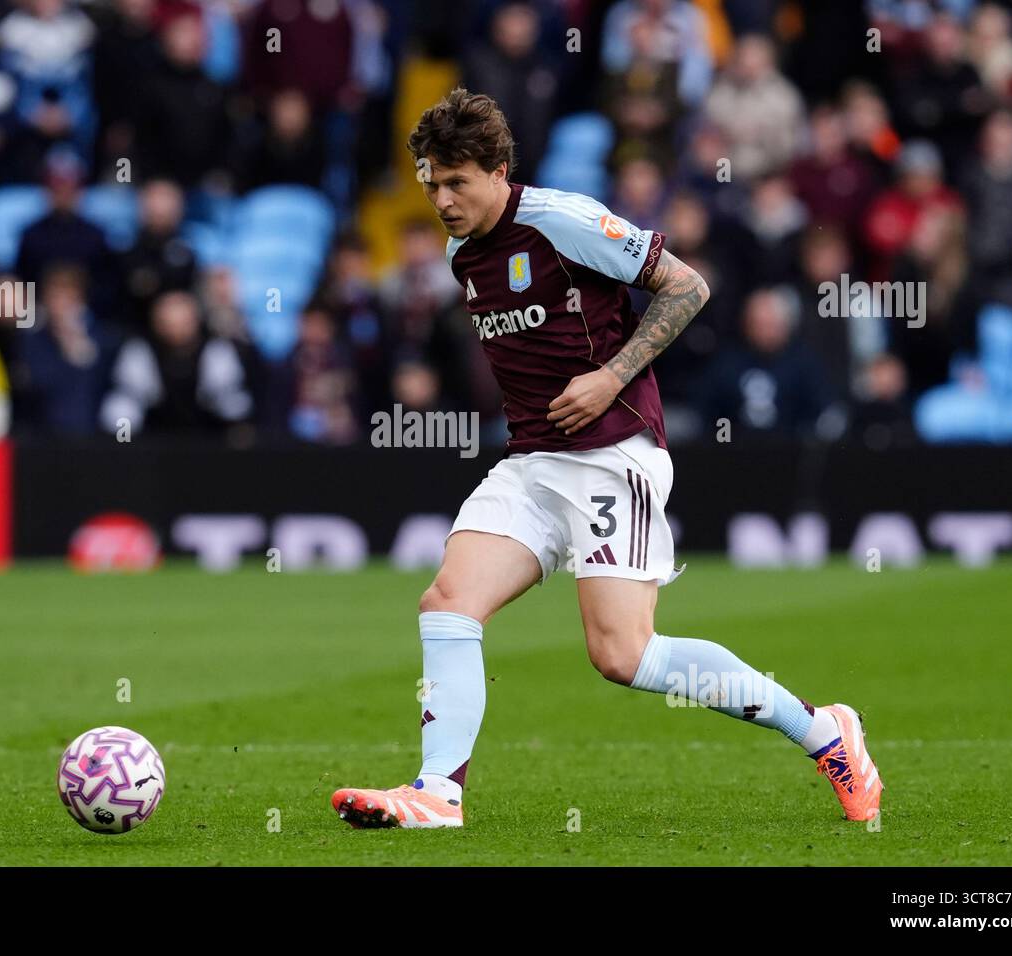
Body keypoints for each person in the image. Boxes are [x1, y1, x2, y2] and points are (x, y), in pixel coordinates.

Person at [330, 89, 882, 830]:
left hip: (609, 454)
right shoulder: (463, 254)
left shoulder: (562, 220)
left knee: (624, 655)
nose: (442, 199)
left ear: (498, 170)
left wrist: (612, 376)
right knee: (448, 604)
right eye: (431, 182)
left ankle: (823, 731)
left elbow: (689, 286)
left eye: (456, 181)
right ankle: (438, 793)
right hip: (530, 463)